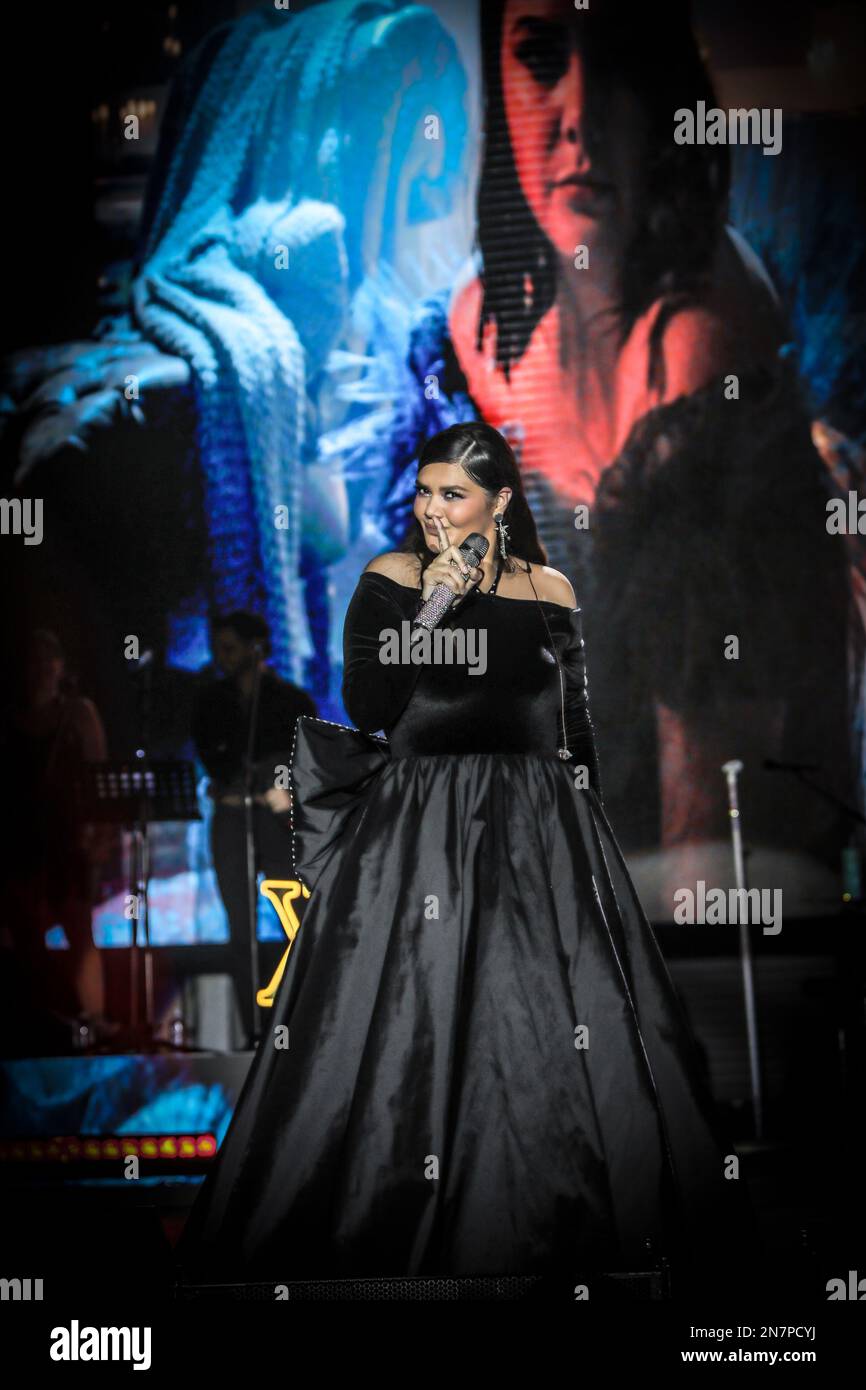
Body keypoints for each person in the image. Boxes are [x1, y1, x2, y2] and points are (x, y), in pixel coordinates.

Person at [175, 423, 760, 1293]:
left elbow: (576, 723)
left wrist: (584, 827)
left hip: (536, 833)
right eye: (424, 492)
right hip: (419, 835)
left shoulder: (548, 588)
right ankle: (381, 1222)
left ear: (501, 502)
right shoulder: (389, 581)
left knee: (544, 1024)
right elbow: (370, 705)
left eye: (452, 493)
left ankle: (561, 1229)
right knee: (411, 1017)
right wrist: (429, 610)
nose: (432, 509)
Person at [192, 612, 318, 1048]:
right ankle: (254, 1030)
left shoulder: (291, 700)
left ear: (255, 647)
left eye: (230, 647)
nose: (221, 657)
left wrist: (277, 780)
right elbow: (214, 756)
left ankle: (307, 1023)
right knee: (238, 926)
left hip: (277, 819)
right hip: (231, 817)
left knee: (294, 917)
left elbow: (307, 757)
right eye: (218, 648)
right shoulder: (210, 701)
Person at [0, 628, 118, 1048]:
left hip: (69, 837)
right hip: (21, 838)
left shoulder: (77, 714)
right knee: (26, 935)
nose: (40, 671)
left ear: (61, 667)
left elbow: (98, 772)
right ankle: (37, 1020)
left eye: (48, 661)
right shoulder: (10, 717)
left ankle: (94, 1022)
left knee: (78, 931)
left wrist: (99, 834)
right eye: (32, 661)